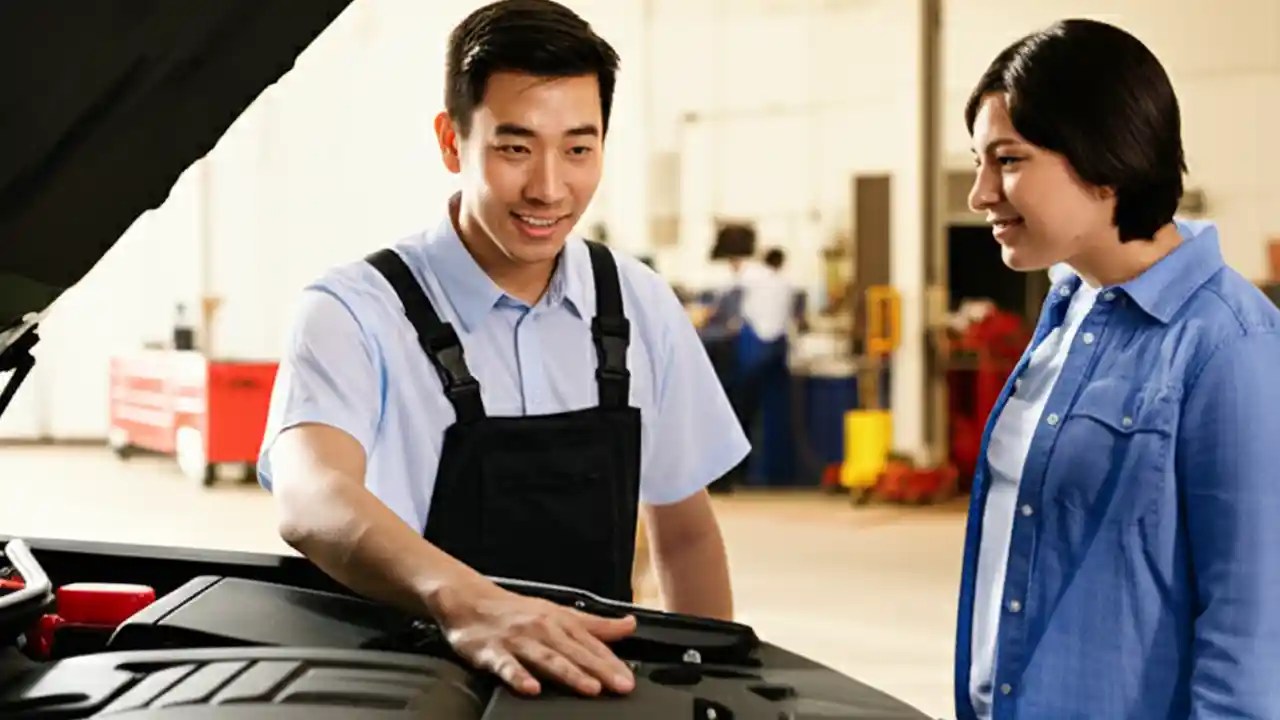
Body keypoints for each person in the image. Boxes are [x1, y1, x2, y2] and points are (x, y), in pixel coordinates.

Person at [257, 0, 748, 701]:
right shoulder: (355, 311)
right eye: (515, 147)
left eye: (579, 149)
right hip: (407, 694)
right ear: (451, 142)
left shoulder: (638, 304)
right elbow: (311, 497)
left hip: (588, 696)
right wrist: (471, 603)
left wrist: (710, 694)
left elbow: (687, 534)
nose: (550, 188)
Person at [956, 18, 1280, 720]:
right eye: (980, 162)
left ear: (1104, 155)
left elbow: (1252, 635)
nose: (981, 194)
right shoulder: (1067, 311)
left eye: (1008, 160)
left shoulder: (1230, 345)